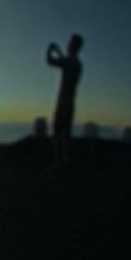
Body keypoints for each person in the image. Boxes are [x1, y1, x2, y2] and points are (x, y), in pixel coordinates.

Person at [46, 34, 86, 166]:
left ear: (74, 46)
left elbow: (50, 61)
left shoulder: (69, 62)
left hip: (63, 102)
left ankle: (58, 161)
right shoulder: (78, 64)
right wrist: (58, 51)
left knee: (57, 132)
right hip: (71, 103)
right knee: (66, 133)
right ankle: (65, 159)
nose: (68, 44)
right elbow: (63, 60)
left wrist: (50, 49)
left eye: (70, 43)